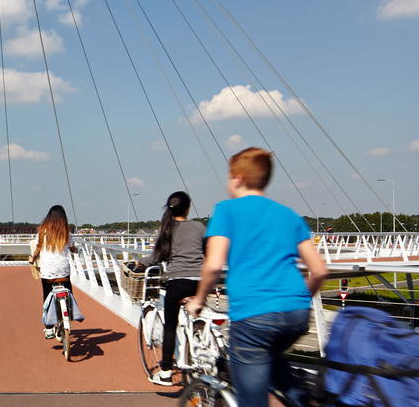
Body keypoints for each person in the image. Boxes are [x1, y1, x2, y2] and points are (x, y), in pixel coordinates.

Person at [186, 148, 329, 407]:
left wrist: (198, 299)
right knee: (272, 361)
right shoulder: (288, 214)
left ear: (238, 178)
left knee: (252, 394)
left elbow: (213, 265)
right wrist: (300, 297)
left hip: (254, 316)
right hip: (296, 312)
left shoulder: (227, 210)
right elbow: (319, 270)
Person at [140, 190, 205, 386]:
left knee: (171, 326)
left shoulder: (167, 228)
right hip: (200, 282)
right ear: (188, 209)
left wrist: (140, 262)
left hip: (177, 283)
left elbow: (156, 257)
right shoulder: (199, 227)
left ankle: (166, 371)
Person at [28, 204, 77, 339]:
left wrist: (33, 259)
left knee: (47, 296)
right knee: (68, 291)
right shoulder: (66, 233)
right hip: (63, 270)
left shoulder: (42, 233)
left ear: (49, 217)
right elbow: (72, 248)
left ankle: (49, 328)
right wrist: (76, 250)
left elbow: (37, 250)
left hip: (48, 271)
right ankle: (69, 313)